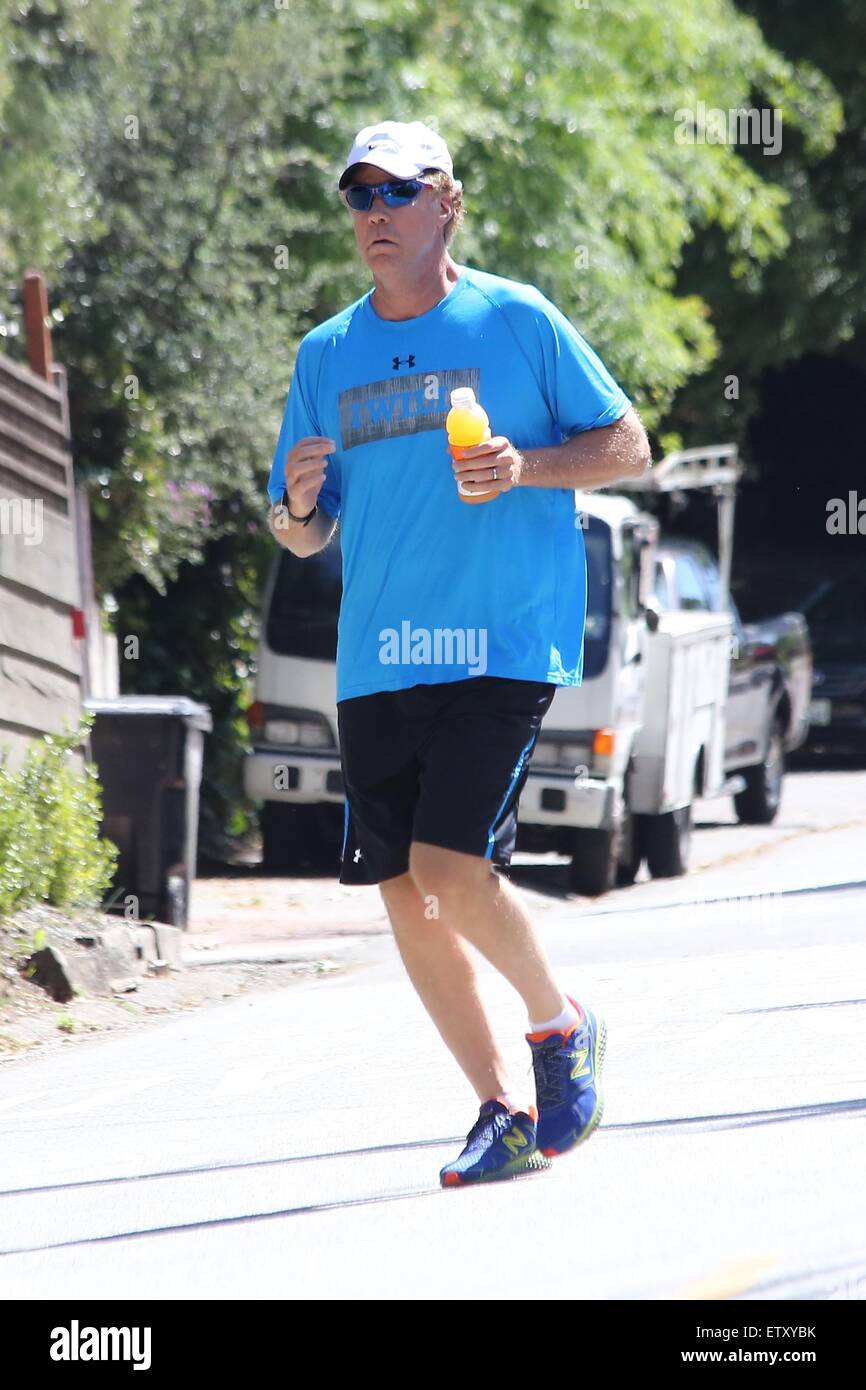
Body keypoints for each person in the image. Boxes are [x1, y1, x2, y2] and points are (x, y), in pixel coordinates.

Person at [267, 120, 651, 1186]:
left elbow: (626, 445)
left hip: (500, 642)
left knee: (449, 866)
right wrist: (297, 508)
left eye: (396, 190)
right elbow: (302, 528)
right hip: (378, 657)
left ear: (448, 201)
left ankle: (558, 1023)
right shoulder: (325, 354)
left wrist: (523, 465)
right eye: (357, 194)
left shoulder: (515, 317)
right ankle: (501, 1110)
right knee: (403, 886)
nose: (374, 212)